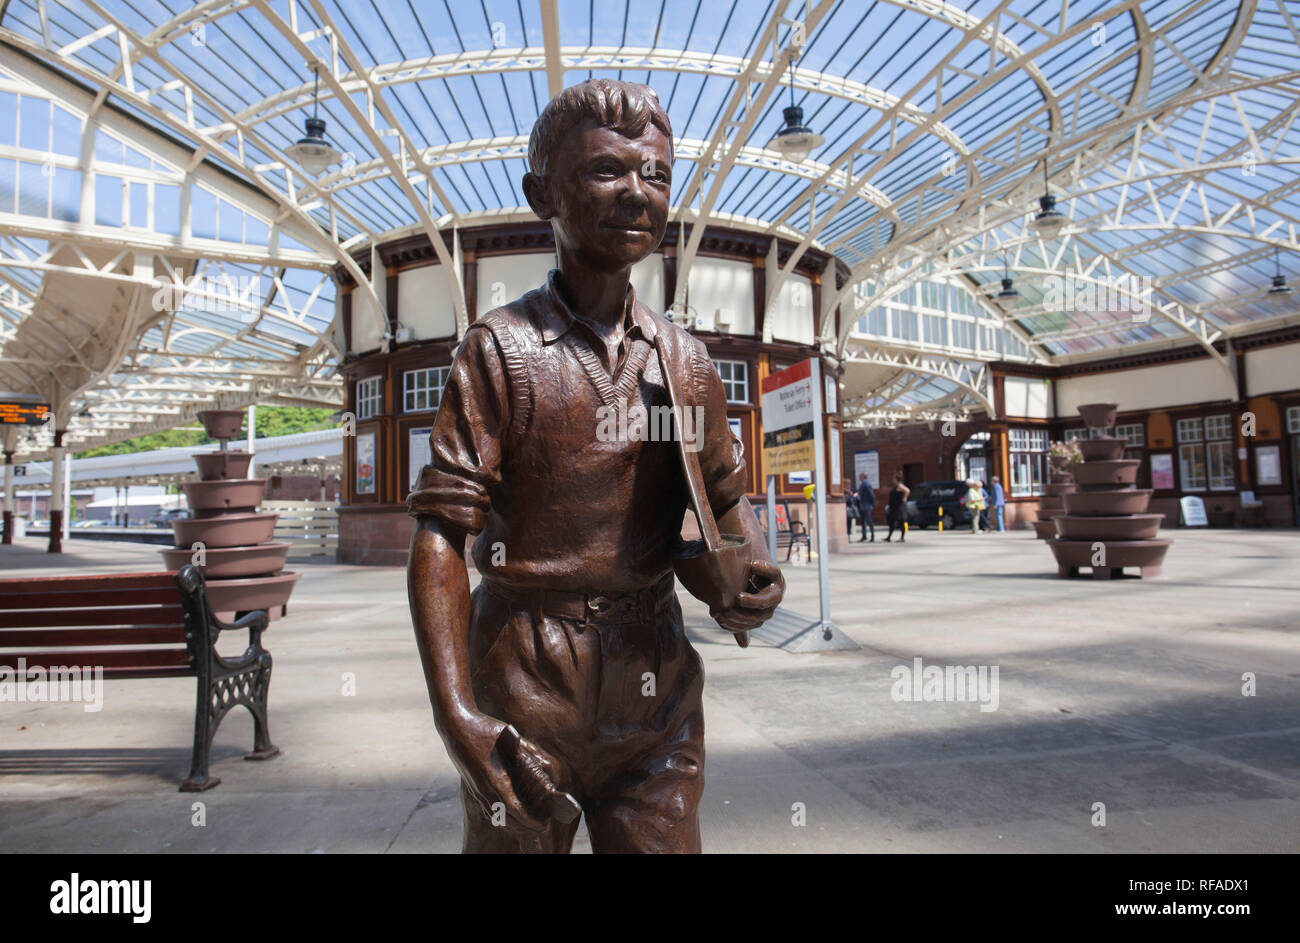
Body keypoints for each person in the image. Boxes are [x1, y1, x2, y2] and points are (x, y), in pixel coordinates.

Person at [406, 79, 783, 854]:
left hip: (656, 683)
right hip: (522, 672)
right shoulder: (499, 351)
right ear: (542, 193)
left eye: (656, 175)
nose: (637, 194)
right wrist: (455, 712)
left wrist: (749, 574)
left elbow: (721, 498)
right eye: (607, 171)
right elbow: (441, 534)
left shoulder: (686, 361)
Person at [883, 471, 910, 542]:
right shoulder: (896, 486)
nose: (892, 480)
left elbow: (907, 490)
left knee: (901, 522)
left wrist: (905, 497)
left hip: (899, 507)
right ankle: (889, 537)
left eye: (894, 478)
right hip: (894, 507)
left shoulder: (900, 486)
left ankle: (902, 537)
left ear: (896, 479)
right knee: (891, 522)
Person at [856, 472, 875, 542]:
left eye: (860, 476)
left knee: (869, 521)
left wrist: (871, 504)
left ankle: (872, 536)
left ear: (863, 477)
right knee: (863, 521)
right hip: (862, 505)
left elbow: (872, 495)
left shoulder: (866, 484)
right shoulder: (862, 484)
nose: (859, 477)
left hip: (867, 505)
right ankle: (864, 536)